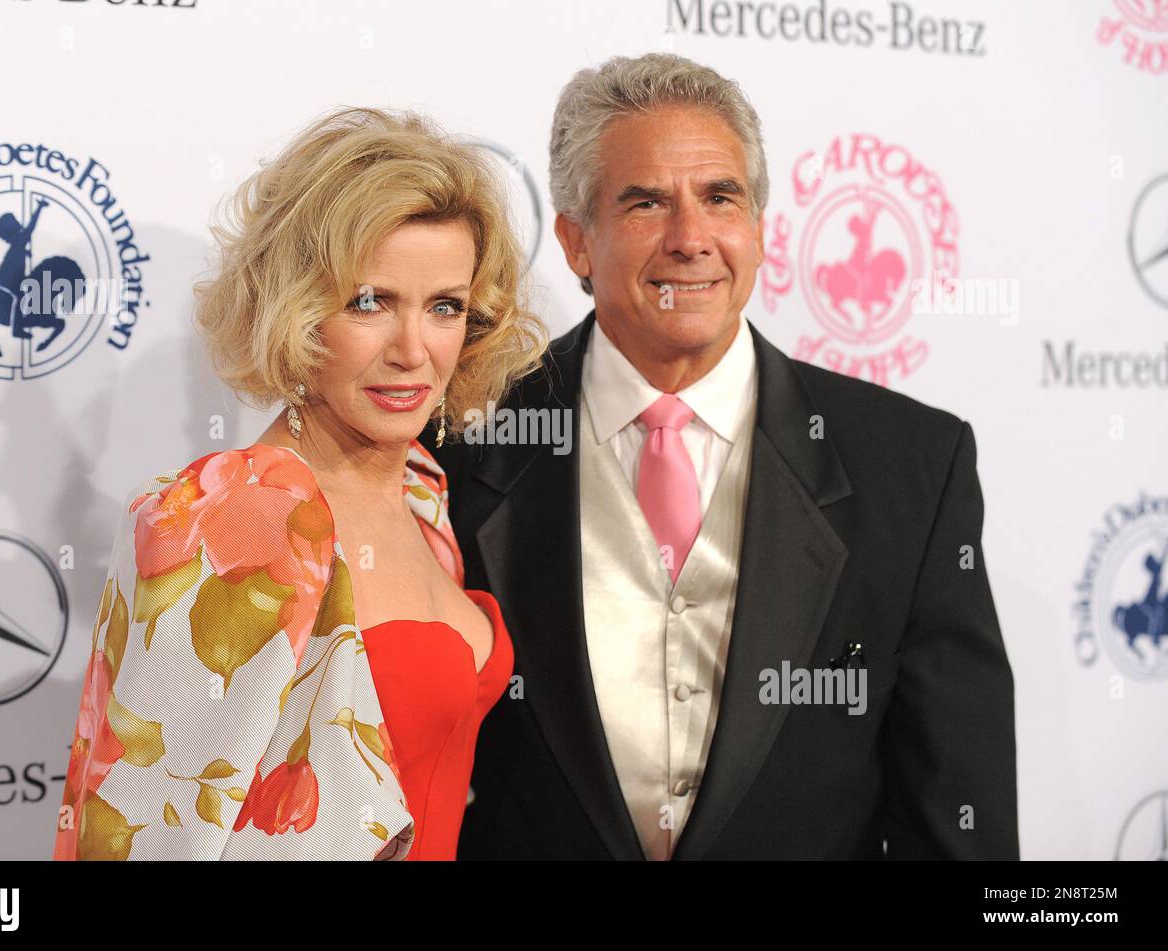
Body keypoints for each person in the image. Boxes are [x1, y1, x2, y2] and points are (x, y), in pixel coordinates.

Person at [430, 53, 1020, 860]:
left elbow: (959, 818)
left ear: (760, 228)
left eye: (720, 198)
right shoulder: (463, 440)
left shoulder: (912, 465)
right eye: (645, 202)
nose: (691, 238)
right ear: (575, 241)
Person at [52, 107, 546, 860]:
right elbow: (141, 830)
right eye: (369, 302)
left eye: (444, 306)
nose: (413, 349)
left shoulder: (424, 492)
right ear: (298, 309)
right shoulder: (248, 510)